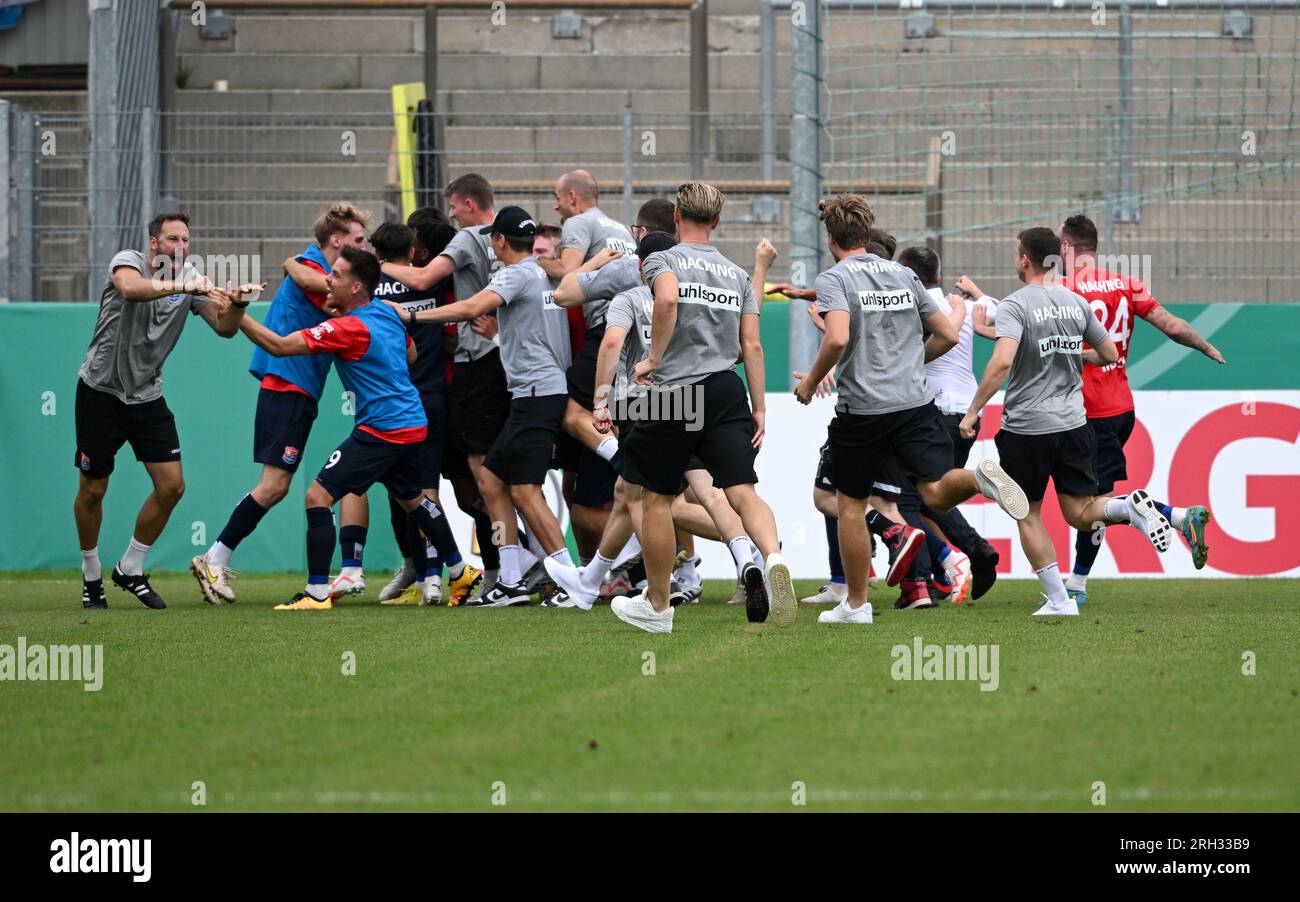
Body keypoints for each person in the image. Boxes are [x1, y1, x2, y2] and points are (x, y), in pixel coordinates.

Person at [793, 194, 1030, 626]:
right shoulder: (903, 274)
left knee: (850, 504)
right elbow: (948, 334)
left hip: (864, 410)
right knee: (935, 490)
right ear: (867, 232)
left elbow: (838, 338)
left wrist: (810, 384)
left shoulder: (835, 278)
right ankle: (980, 478)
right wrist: (910, 363)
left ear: (831, 238)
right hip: (915, 403)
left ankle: (857, 606)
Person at [959, 227, 1209, 616]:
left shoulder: (1023, 301)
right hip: (1084, 421)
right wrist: (1074, 354)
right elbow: (1113, 348)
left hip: (1035, 425)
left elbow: (1007, 353)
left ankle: (1063, 597)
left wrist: (974, 410)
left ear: (1028, 258)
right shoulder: (1084, 298)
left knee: (1027, 511)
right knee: (1082, 510)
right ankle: (1137, 512)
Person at [236, 245, 482, 610]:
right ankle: (461, 571)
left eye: (336, 275)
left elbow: (279, 345)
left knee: (317, 497)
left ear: (355, 288)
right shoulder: (383, 311)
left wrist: (237, 312)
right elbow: (411, 353)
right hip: (413, 421)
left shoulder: (347, 327)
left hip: (383, 428)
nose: (327, 280)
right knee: (414, 498)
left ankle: (317, 592)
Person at [614, 182, 796, 634]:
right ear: (716, 221)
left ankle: (658, 607)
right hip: (725, 389)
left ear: (676, 217)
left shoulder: (663, 258)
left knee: (654, 498)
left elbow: (668, 297)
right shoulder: (736, 275)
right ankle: (771, 557)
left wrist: (653, 358)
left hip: (675, 392)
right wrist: (759, 408)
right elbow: (751, 346)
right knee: (742, 491)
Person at [191, 203, 370, 604]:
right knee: (274, 485)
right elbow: (308, 276)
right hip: (287, 384)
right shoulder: (312, 265)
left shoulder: (322, 272)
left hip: (298, 388)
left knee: (276, 485)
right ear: (337, 241)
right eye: (358, 240)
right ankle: (214, 558)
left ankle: (215, 557)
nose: (364, 247)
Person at [397, 206, 575, 607]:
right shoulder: (547, 271)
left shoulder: (515, 274)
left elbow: (469, 308)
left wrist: (410, 313)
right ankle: (511, 580)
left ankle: (567, 576)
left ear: (499, 241)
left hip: (536, 393)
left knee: (524, 491)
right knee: (494, 479)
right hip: (540, 391)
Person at [75, 212, 253, 609]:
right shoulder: (129, 262)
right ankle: (91, 576)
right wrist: (184, 284)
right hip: (100, 392)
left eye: (186, 240)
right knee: (93, 489)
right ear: (154, 243)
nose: (181, 247)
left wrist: (237, 304)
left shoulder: (190, 278)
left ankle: (130, 568)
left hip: (146, 396)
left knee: (172, 486)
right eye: (172, 239)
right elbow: (131, 289)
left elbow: (224, 328)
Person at [1057, 213, 1219, 602]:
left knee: (1093, 505)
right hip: (1121, 408)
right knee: (1094, 501)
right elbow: (1172, 326)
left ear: (1067, 247)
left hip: (1087, 412)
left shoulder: (1062, 289)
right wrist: (1205, 345)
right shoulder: (1127, 283)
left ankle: (1079, 584)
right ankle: (1176, 519)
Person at [380, 174, 508, 591]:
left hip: (457, 393)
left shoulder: (444, 278)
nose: (452, 213)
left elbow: (429, 293)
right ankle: (433, 569)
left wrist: (372, 266)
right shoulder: (479, 262)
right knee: (462, 490)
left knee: (466, 489)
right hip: (456, 392)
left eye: (455, 205)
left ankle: (474, 571)